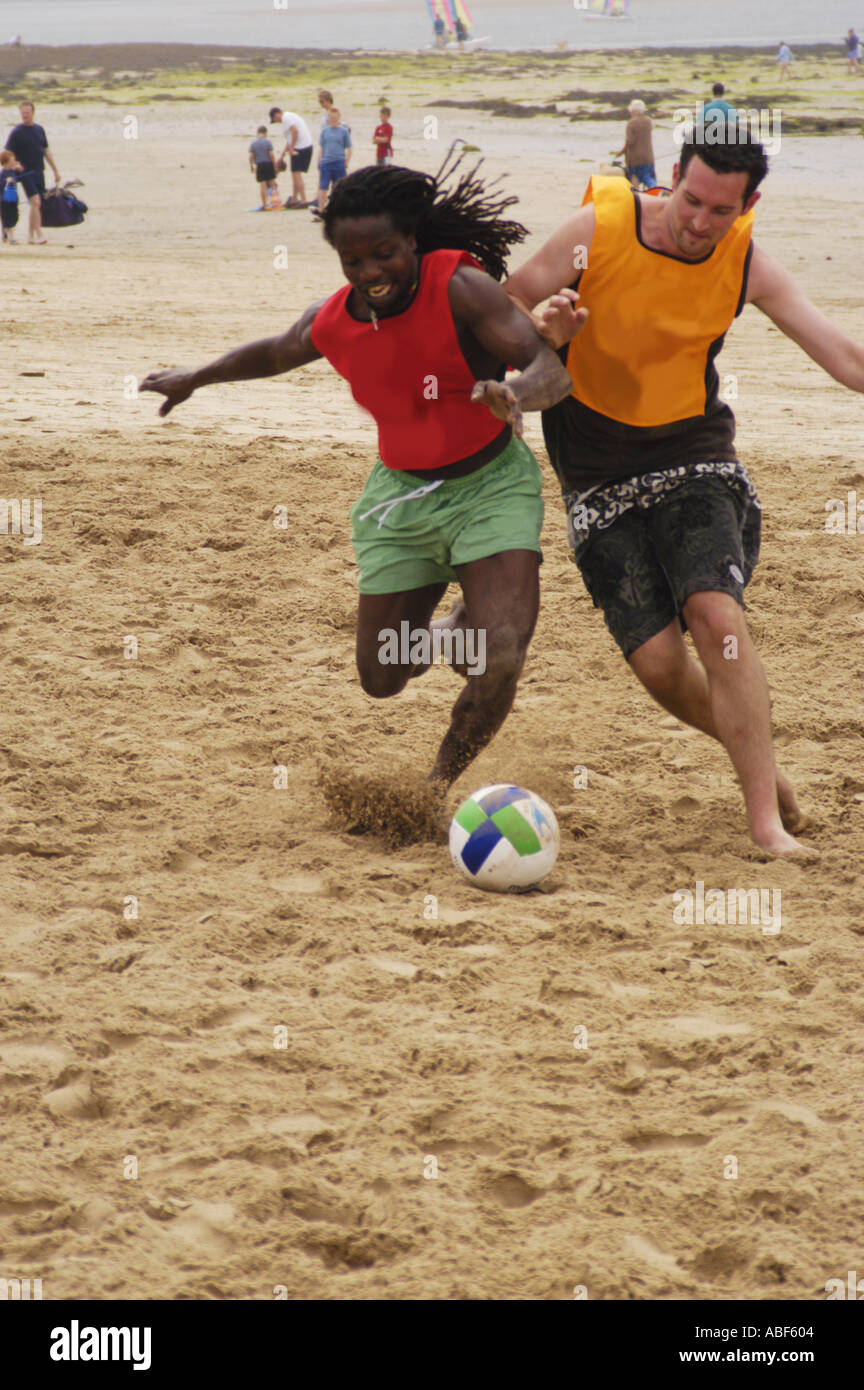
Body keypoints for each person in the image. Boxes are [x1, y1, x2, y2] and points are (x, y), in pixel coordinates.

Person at [140, 160, 578, 796]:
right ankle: (450, 632)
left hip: (490, 487)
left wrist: (514, 392)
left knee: (501, 655)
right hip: (400, 499)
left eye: (385, 254)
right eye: (353, 260)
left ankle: (434, 789)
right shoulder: (335, 320)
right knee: (382, 676)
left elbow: (551, 371)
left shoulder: (460, 287)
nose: (371, 272)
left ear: (412, 242)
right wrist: (196, 377)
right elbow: (275, 350)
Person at [504, 129, 864, 859]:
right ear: (672, 177)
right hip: (596, 474)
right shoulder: (597, 230)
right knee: (661, 668)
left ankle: (763, 821)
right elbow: (507, 302)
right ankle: (766, 765)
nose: (699, 223)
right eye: (691, 201)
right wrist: (545, 331)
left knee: (714, 612)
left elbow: (842, 355)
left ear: (748, 205)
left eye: (719, 212)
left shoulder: (746, 263)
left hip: (693, 458)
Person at [5, 100, 60, 245]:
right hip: (25, 174)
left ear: (33, 113)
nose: (25, 115)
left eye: (27, 113)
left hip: (39, 171)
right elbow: (7, 152)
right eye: (23, 113)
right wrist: (16, 165)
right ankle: (39, 234)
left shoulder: (39, 129)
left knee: (37, 204)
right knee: (35, 201)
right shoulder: (17, 132)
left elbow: (46, 150)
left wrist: (55, 170)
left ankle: (30, 236)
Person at [268, 106, 314, 208]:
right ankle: (294, 199)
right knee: (294, 174)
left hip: (301, 147)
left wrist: (292, 149)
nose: (276, 122)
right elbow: (290, 139)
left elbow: (295, 131)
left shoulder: (285, 118)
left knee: (296, 174)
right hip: (304, 146)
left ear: (276, 115)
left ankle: (303, 200)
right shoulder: (289, 116)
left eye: (274, 120)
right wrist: (283, 155)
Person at [613, 98, 656, 190]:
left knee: (634, 179)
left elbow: (630, 142)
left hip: (635, 159)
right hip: (649, 158)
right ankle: (654, 189)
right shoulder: (648, 121)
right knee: (648, 177)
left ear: (633, 111)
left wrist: (620, 153)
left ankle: (637, 197)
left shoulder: (631, 123)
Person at [317, 107, 351, 212]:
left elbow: (349, 148)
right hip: (326, 163)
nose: (333, 119)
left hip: (339, 162)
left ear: (339, 118)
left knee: (340, 188)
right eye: (331, 117)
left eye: (335, 117)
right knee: (323, 187)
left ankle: (340, 211)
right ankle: (321, 210)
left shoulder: (344, 132)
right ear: (328, 118)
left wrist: (347, 161)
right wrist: (319, 162)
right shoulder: (324, 132)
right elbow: (321, 148)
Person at [248, 125, 279, 209]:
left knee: (262, 184)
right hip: (268, 163)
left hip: (260, 165)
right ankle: (275, 203)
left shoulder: (253, 143)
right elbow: (271, 155)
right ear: (265, 133)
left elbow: (251, 156)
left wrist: (251, 166)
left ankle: (264, 204)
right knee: (272, 182)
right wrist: (275, 165)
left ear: (258, 133)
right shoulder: (268, 142)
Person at [0, 148, 21, 243]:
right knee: (7, 217)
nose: (14, 162)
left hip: (13, 199)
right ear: (5, 163)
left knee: (15, 216)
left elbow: (19, 176)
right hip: (4, 200)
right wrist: (6, 181)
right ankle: (11, 238)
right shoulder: (3, 173)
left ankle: (5, 232)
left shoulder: (13, 172)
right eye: (12, 161)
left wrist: (19, 168)